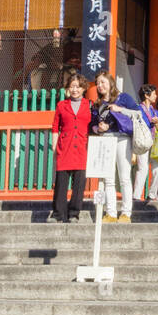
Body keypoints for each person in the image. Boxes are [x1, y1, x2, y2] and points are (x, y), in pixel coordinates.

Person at [90, 71, 139, 223]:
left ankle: (126, 213)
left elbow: (138, 114)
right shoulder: (97, 104)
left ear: (111, 83)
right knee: (108, 179)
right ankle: (110, 212)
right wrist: (99, 129)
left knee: (124, 177)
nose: (100, 86)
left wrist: (120, 110)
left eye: (103, 82)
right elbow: (91, 125)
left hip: (123, 139)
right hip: (106, 139)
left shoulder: (123, 98)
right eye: (98, 83)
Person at [51, 72, 94, 222]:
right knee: (61, 182)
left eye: (78, 86)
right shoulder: (62, 105)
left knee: (79, 184)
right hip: (65, 146)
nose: (75, 89)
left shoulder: (89, 105)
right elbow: (55, 127)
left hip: (81, 147)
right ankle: (58, 214)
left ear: (83, 88)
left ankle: (74, 213)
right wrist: (54, 147)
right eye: (72, 86)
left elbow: (93, 127)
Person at [132, 84, 158, 201]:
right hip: (142, 142)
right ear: (146, 95)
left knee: (157, 169)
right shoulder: (138, 109)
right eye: (154, 93)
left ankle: (152, 194)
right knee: (143, 168)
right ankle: (136, 196)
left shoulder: (155, 112)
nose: (155, 96)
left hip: (154, 142)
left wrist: (157, 124)